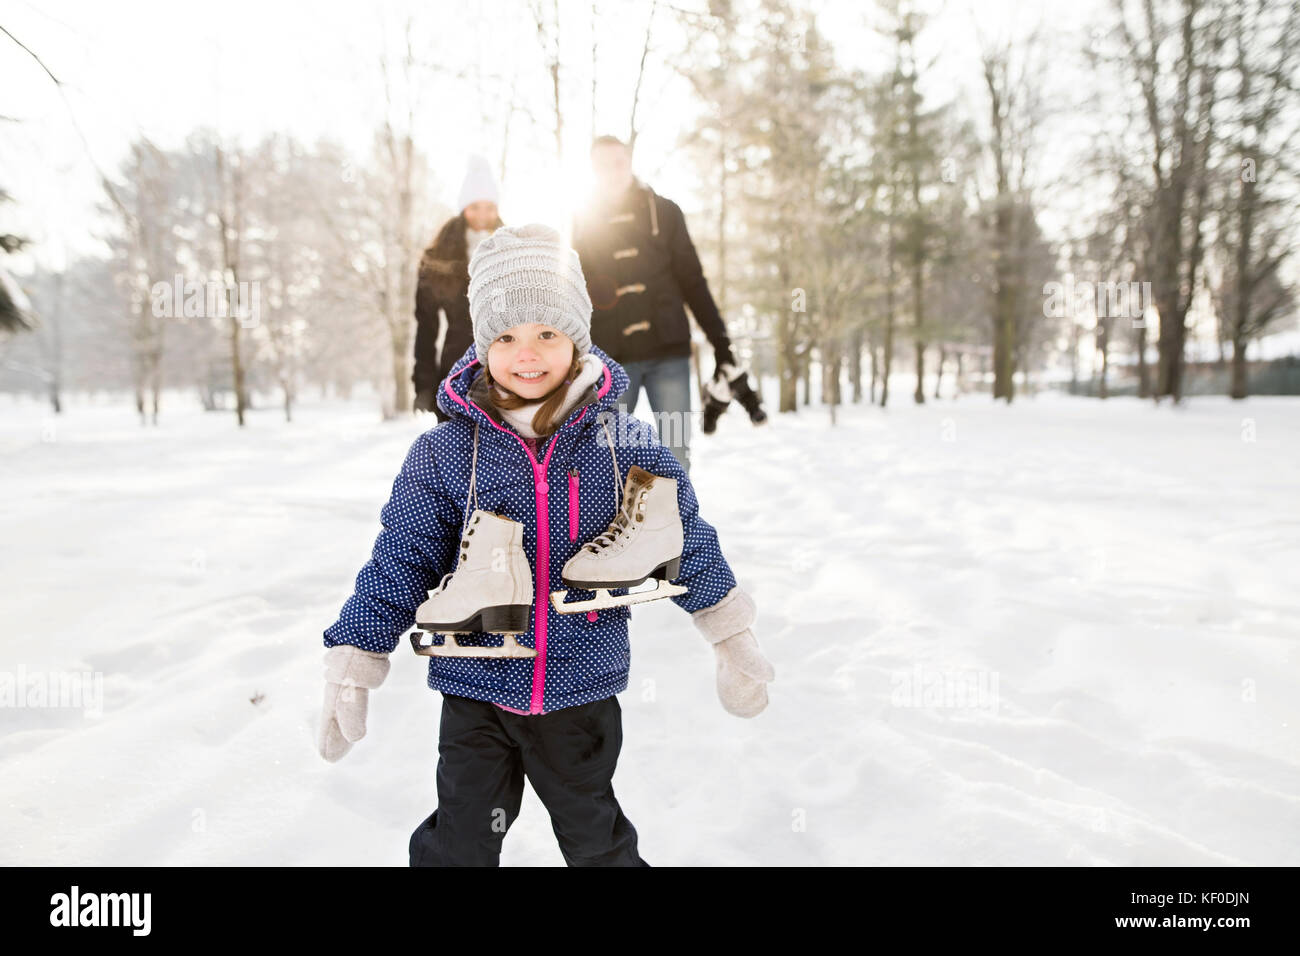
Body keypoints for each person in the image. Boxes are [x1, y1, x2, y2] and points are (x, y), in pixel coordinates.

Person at [318, 223, 775, 867]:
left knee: (597, 839)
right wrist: (356, 659)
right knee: (461, 839)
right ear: (481, 346)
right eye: (504, 336)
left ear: (576, 338)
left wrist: (728, 631)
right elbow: (402, 557)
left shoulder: (622, 441)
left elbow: (683, 536)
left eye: (546, 334)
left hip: (580, 690)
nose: (525, 353)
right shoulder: (448, 451)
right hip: (474, 687)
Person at [571, 135, 739, 476]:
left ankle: (676, 528)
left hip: (669, 356)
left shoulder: (664, 212)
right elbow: (572, 289)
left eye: (618, 162)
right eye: (603, 165)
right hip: (612, 363)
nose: (612, 172)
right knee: (609, 460)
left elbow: (693, 281)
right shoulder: (582, 219)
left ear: (629, 160)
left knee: (677, 456)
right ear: (592, 170)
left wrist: (721, 343)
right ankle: (616, 529)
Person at [412, 154, 504, 420]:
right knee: (457, 454)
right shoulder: (439, 257)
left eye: (489, 207)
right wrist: (424, 385)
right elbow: (426, 327)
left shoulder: (511, 247)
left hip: (505, 368)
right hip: (456, 370)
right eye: (475, 207)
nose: (483, 215)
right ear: (464, 208)